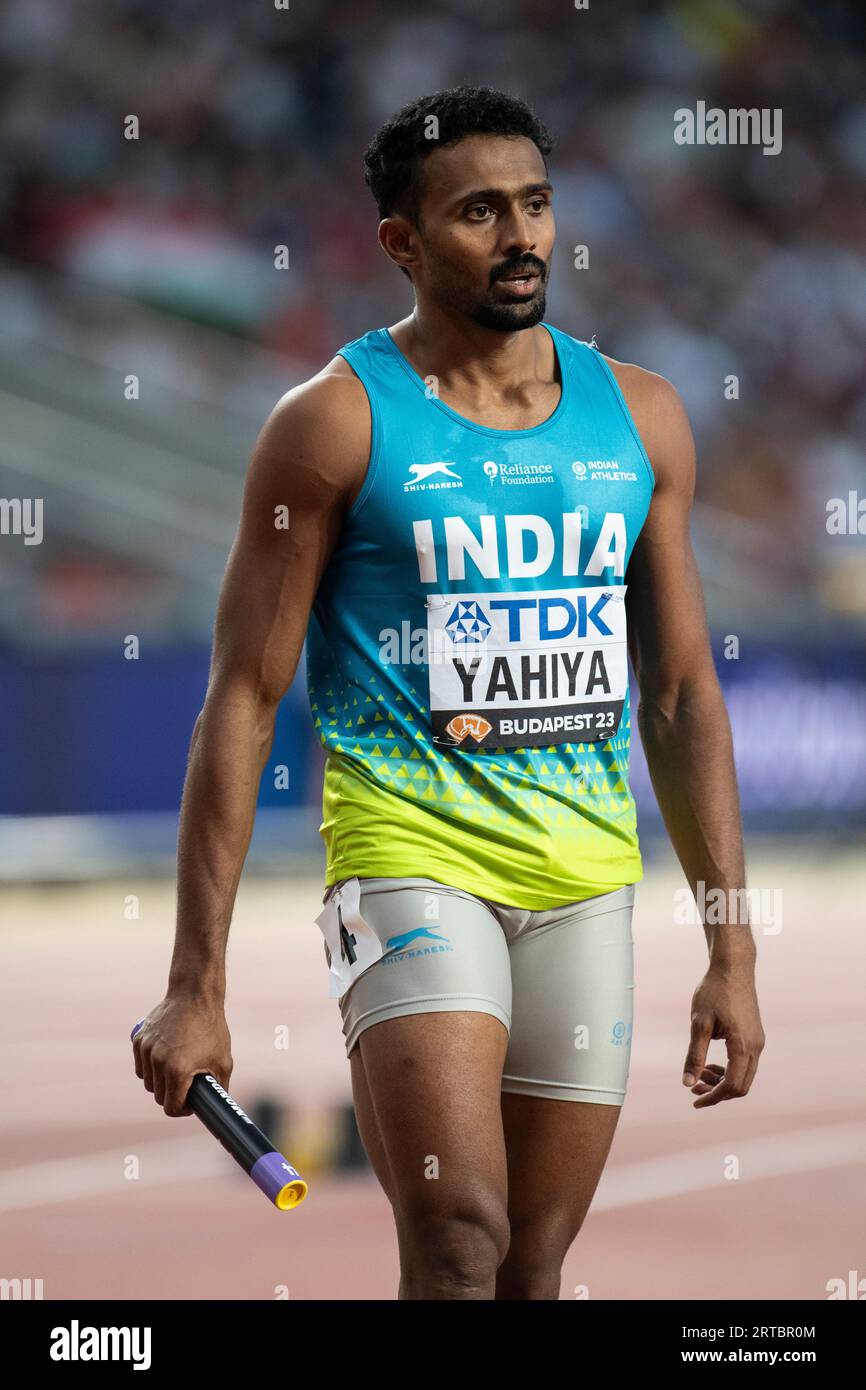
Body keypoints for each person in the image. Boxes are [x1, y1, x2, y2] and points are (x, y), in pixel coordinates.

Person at [133, 85, 765, 1300]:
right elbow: (240, 700)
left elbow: (681, 696)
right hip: (410, 857)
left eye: (533, 204)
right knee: (458, 1237)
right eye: (479, 212)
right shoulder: (329, 425)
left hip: (585, 878)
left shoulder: (639, 417)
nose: (521, 236)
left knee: (531, 1267)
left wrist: (729, 953)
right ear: (401, 244)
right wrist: (193, 985)